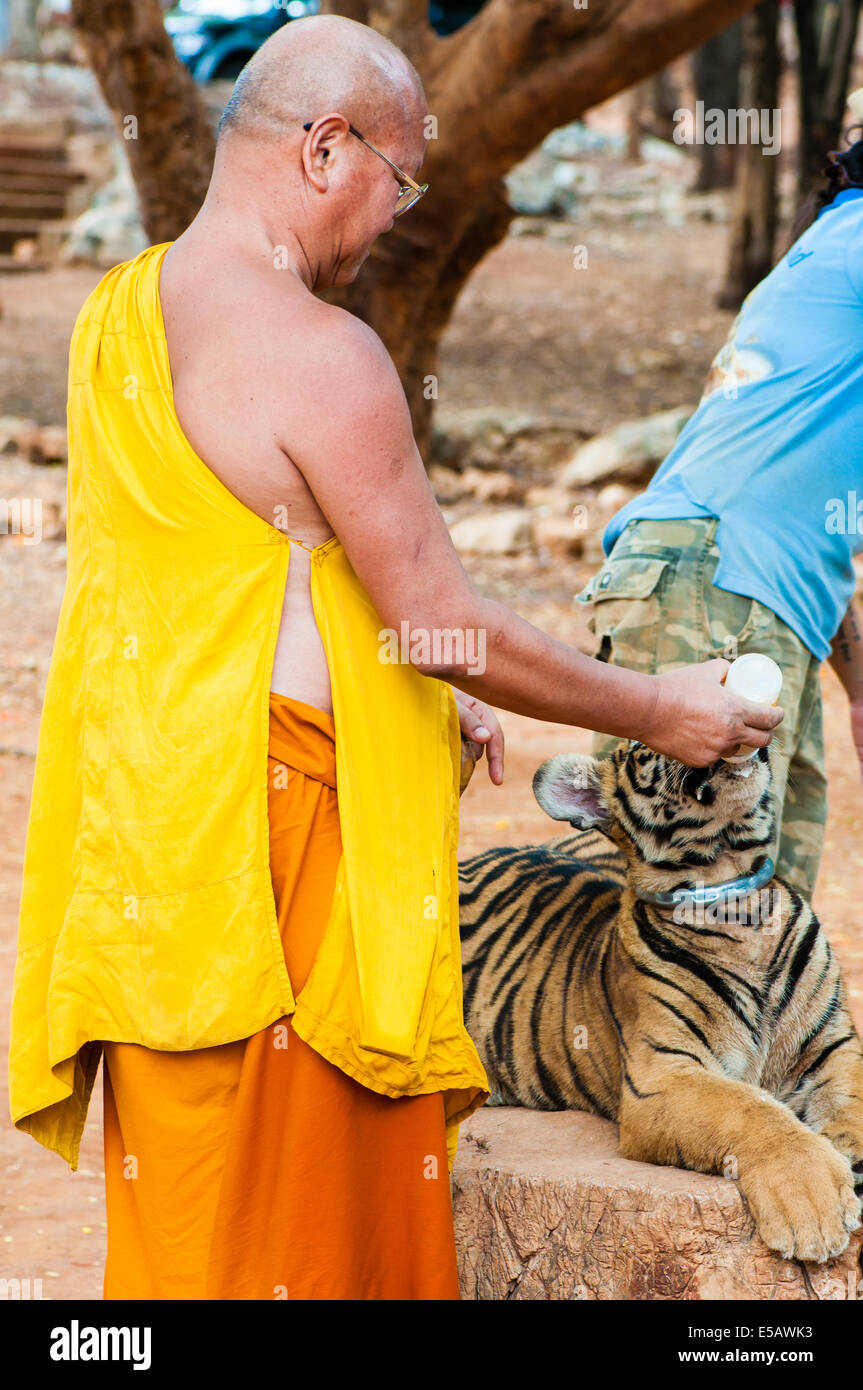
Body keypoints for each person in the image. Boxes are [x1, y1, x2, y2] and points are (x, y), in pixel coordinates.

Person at [7, 14, 782, 1302]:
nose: (398, 214)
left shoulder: (117, 314)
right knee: (311, 1245)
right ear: (325, 147)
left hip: (149, 849)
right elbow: (448, 618)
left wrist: (402, 692)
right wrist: (658, 708)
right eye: (400, 176)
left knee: (190, 1233)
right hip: (283, 872)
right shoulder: (321, 355)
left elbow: (235, 579)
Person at [576, 110, 863, 901]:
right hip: (711, 589)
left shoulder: (827, 258)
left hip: (749, 597)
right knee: (678, 932)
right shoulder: (853, 246)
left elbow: (794, 497)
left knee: (762, 931)